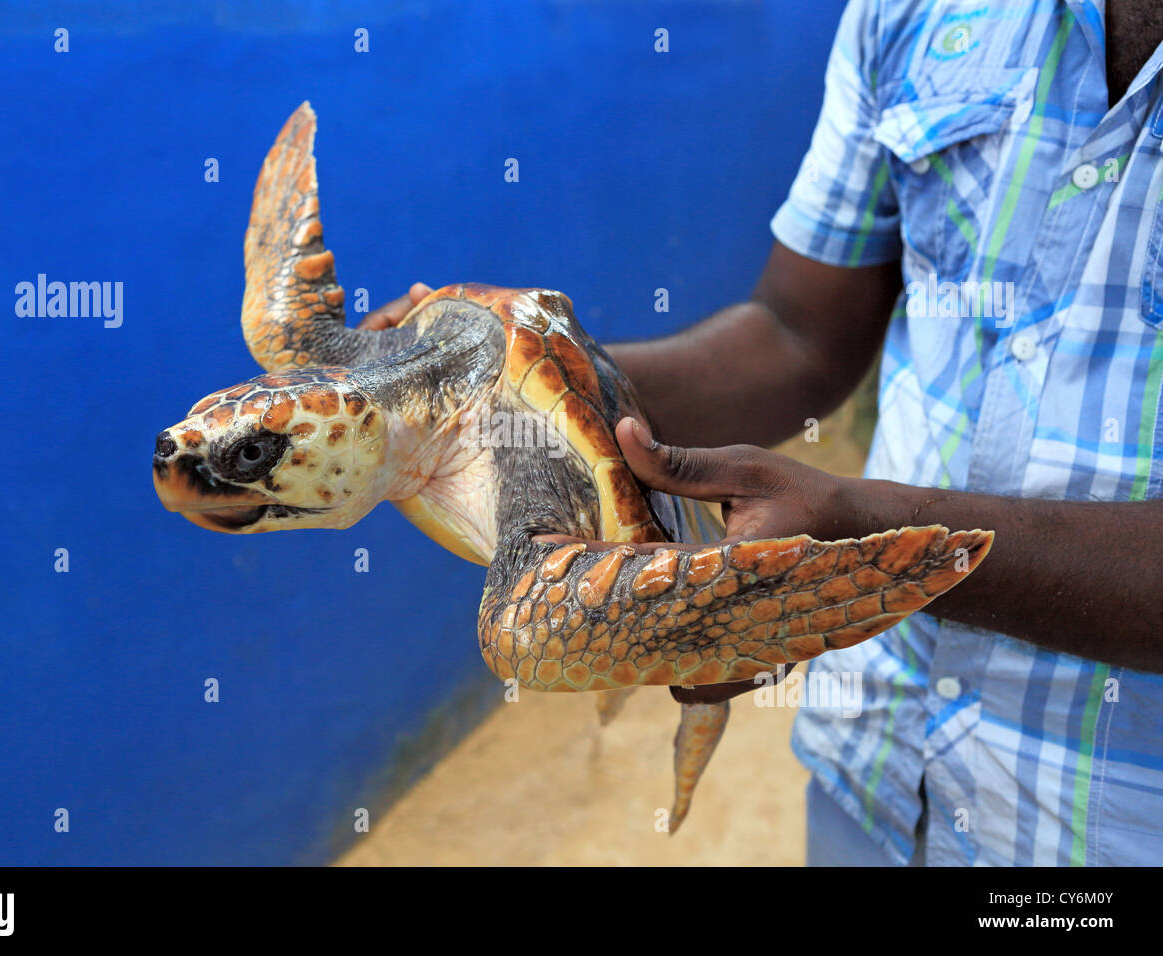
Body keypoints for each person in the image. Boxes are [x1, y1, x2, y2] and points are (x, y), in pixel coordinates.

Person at [364, 0, 1163, 866]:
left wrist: (854, 536)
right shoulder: (916, 13)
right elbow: (798, 336)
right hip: (872, 776)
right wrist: (533, 375)